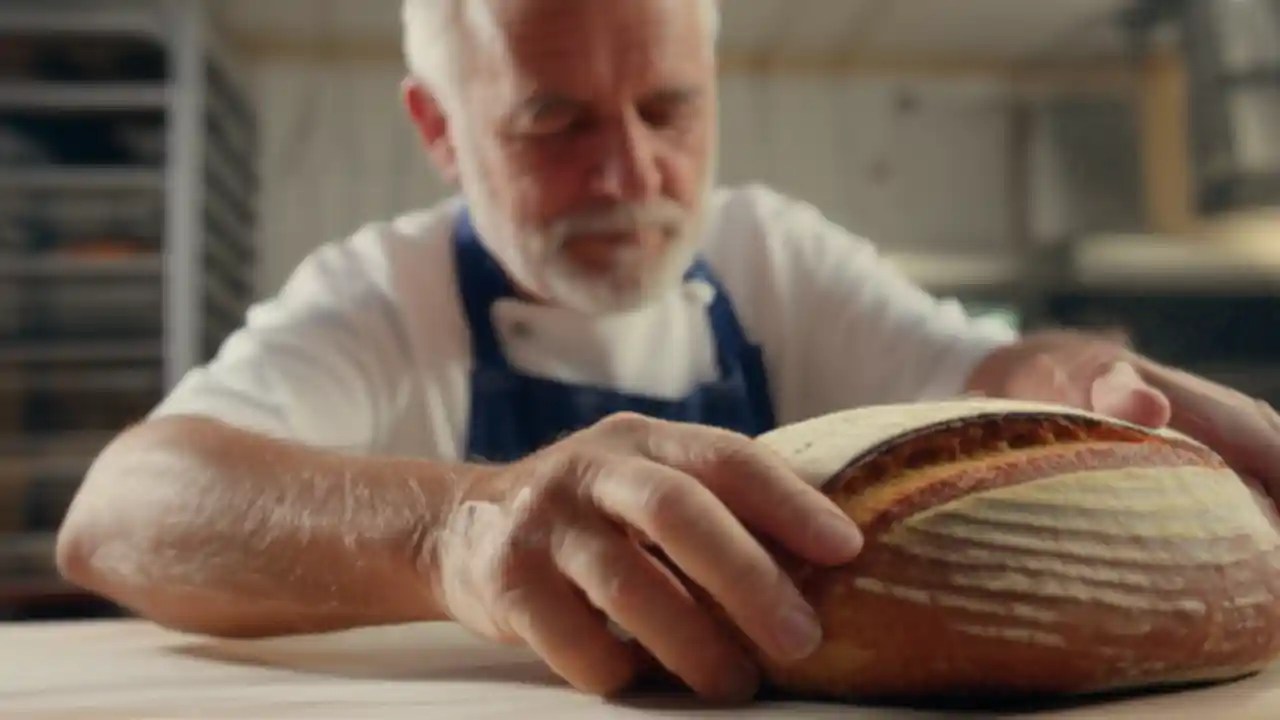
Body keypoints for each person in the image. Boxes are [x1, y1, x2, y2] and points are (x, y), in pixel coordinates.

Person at [56, 0, 1280, 704]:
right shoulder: (381, 292)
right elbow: (118, 511)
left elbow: (983, 368)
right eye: (553, 121)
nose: (629, 175)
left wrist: (1077, 383)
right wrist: (457, 530)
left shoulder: (772, 256)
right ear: (439, 128)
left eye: (667, 109)